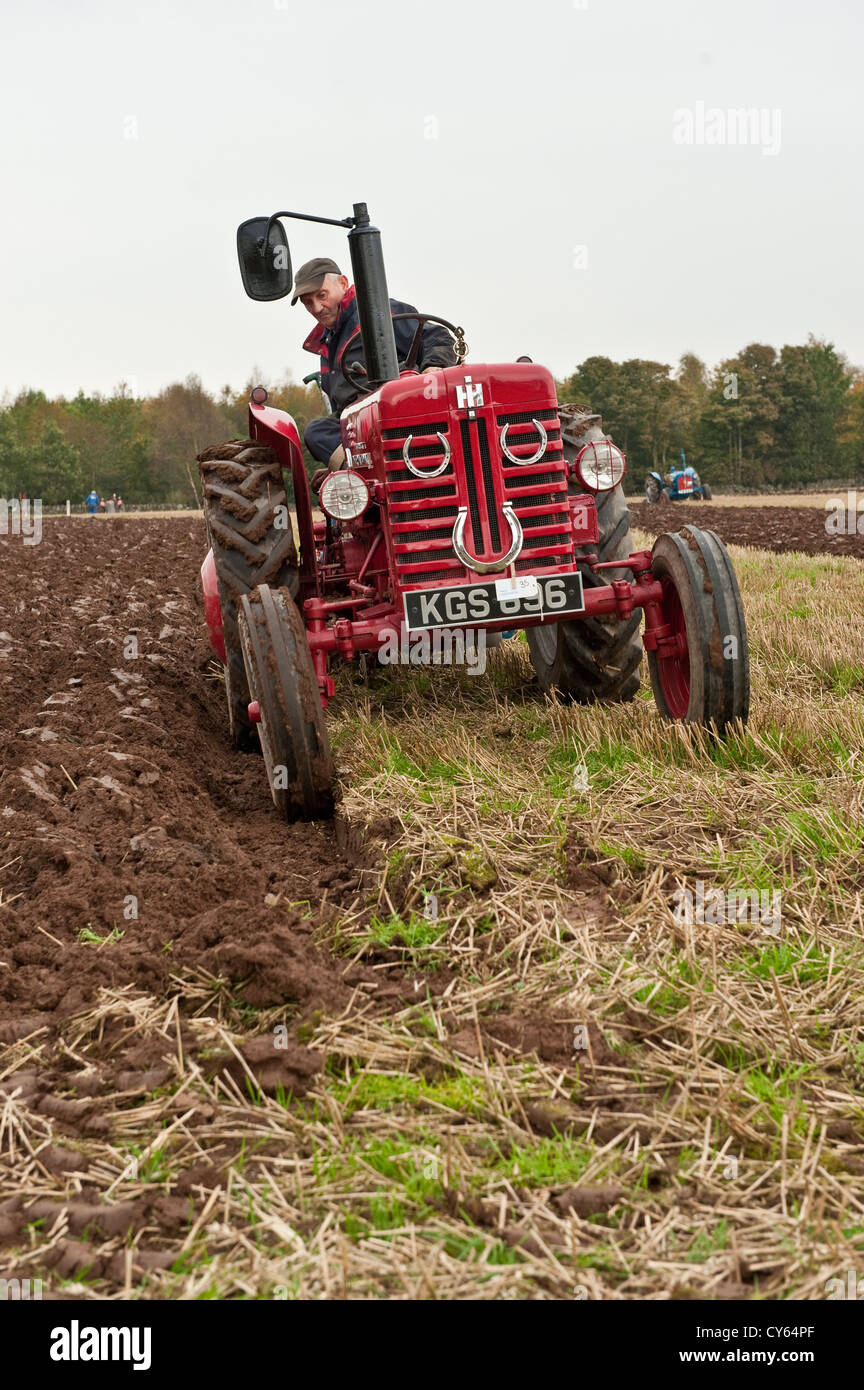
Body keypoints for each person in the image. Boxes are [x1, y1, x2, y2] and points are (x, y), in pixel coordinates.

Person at [293, 257, 456, 479]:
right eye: (308, 302)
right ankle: (359, 473)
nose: (317, 308)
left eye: (322, 296)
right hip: (359, 428)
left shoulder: (376, 313)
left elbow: (436, 336)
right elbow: (340, 409)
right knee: (317, 431)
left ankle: (364, 474)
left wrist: (433, 367)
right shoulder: (327, 342)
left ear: (342, 283)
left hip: (393, 413)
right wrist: (336, 464)